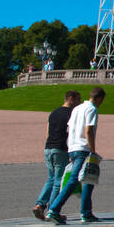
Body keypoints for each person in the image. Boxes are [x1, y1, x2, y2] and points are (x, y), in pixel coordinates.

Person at [45, 87, 106, 224]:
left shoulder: (77, 109)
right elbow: (89, 130)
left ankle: (86, 212)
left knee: (89, 179)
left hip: (73, 147)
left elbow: (70, 129)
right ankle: (54, 209)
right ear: (99, 99)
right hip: (83, 148)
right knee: (74, 180)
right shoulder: (92, 109)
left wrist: (70, 149)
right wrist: (93, 150)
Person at [34, 90, 80, 219]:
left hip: (48, 147)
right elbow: (72, 133)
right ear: (71, 99)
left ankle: (40, 204)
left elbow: (48, 132)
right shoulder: (71, 114)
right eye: (77, 100)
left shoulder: (53, 113)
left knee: (51, 178)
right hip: (61, 148)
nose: (79, 103)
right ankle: (52, 210)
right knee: (58, 181)